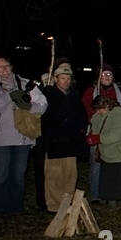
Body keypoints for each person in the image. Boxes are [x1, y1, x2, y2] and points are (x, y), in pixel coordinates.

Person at [0, 55, 47, 216]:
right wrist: (7, 97)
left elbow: (43, 105)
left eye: (7, 66)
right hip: (0, 139)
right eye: (1, 67)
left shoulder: (25, 84)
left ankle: (16, 207)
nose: (5, 70)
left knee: (18, 175)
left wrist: (28, 106)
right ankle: (0, 208)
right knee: (1, 174)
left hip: (23, 137)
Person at [39, 63, 88, 211]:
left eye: (68, 78)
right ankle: (54, 205)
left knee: (70, 175)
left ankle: (67, 204)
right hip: (54, 141)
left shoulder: (73, 96)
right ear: (55, 79)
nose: (66, 81)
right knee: (54, 176)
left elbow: (81, 115)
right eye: (62, 78)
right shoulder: (47, 95)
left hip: (71, 142)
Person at [82, 64, 121, 203]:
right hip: (97, 133)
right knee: (97, 164)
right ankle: (96, 195)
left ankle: (112, 193)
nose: (107, 77)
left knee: (114, 165)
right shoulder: (91, 92)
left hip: (115, 135)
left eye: (109, 75)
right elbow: (86, 110)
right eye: (104, 75)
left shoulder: (120, 92)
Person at [87, 95, 121, 209]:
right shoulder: (98, 115)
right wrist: (90, 134)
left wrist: (98, 138)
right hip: (109, 154)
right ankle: (111, 202)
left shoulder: (119, 113)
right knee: (110, 179)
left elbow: (117, 135)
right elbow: (94, 127)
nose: (98, 111)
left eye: (100, 108)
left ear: (106, 105)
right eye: (96, 109)